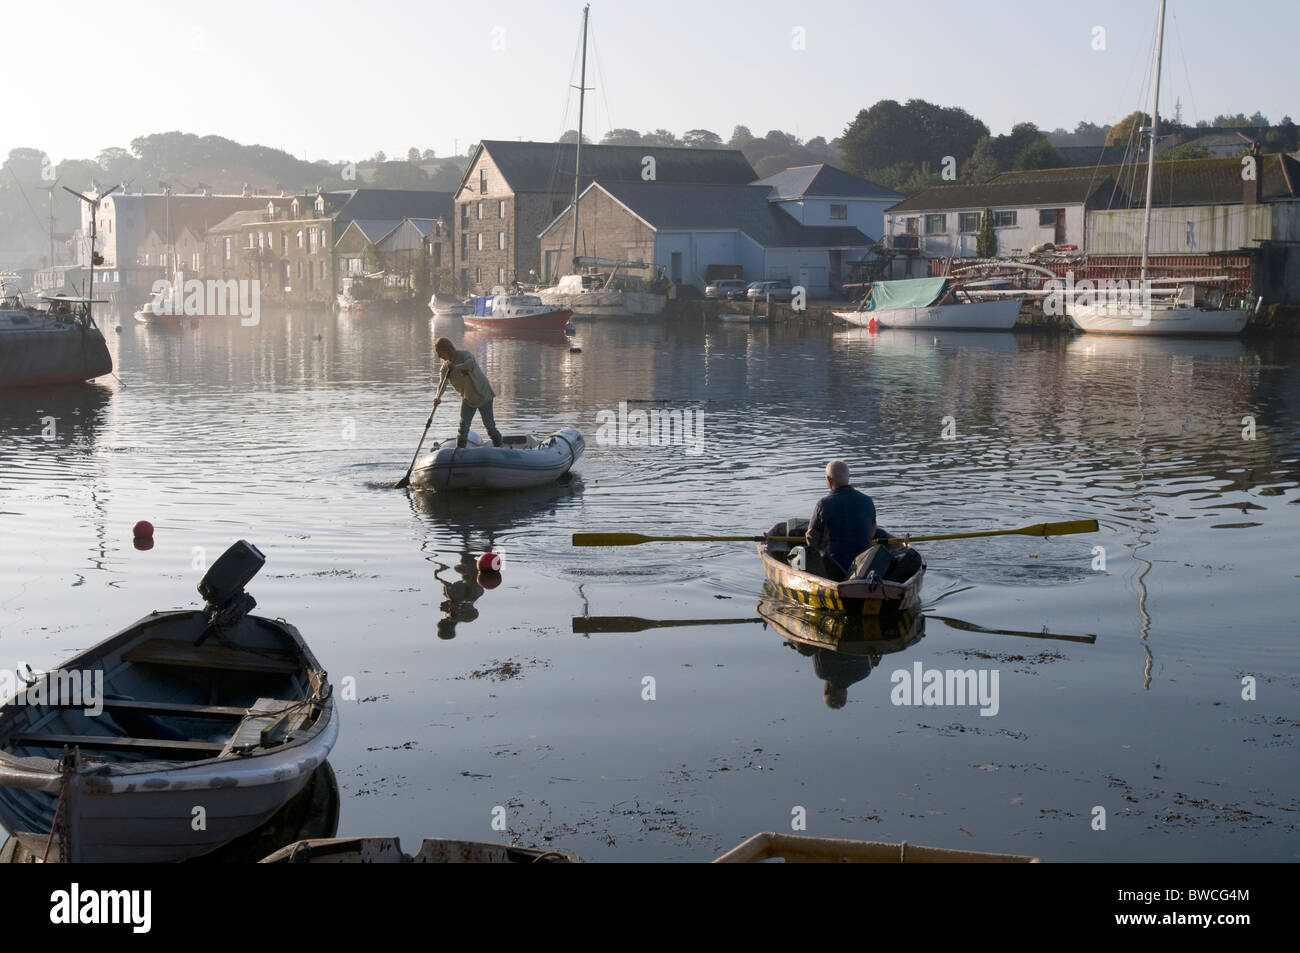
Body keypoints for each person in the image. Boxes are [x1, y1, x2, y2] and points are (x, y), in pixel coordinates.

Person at [806, 459, 876, 581]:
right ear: (848, 477)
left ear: (828, 479)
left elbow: (811, 539)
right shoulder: (868, 501)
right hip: (865, 567)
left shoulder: (823, 504)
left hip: (834, 569)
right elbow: (872, 532)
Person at [434, 337, 503, 448]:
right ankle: (459, 452)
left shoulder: (464, 355)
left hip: (483, 395)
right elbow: (442, 385)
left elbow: (470, 365)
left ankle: (499, 446)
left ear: (447, 349)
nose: (439, 356)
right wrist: (437, 397)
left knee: (490, 427)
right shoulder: (445, 368)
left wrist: (455, 367)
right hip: (468, 399)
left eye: (439, 352)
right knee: (463, 427)